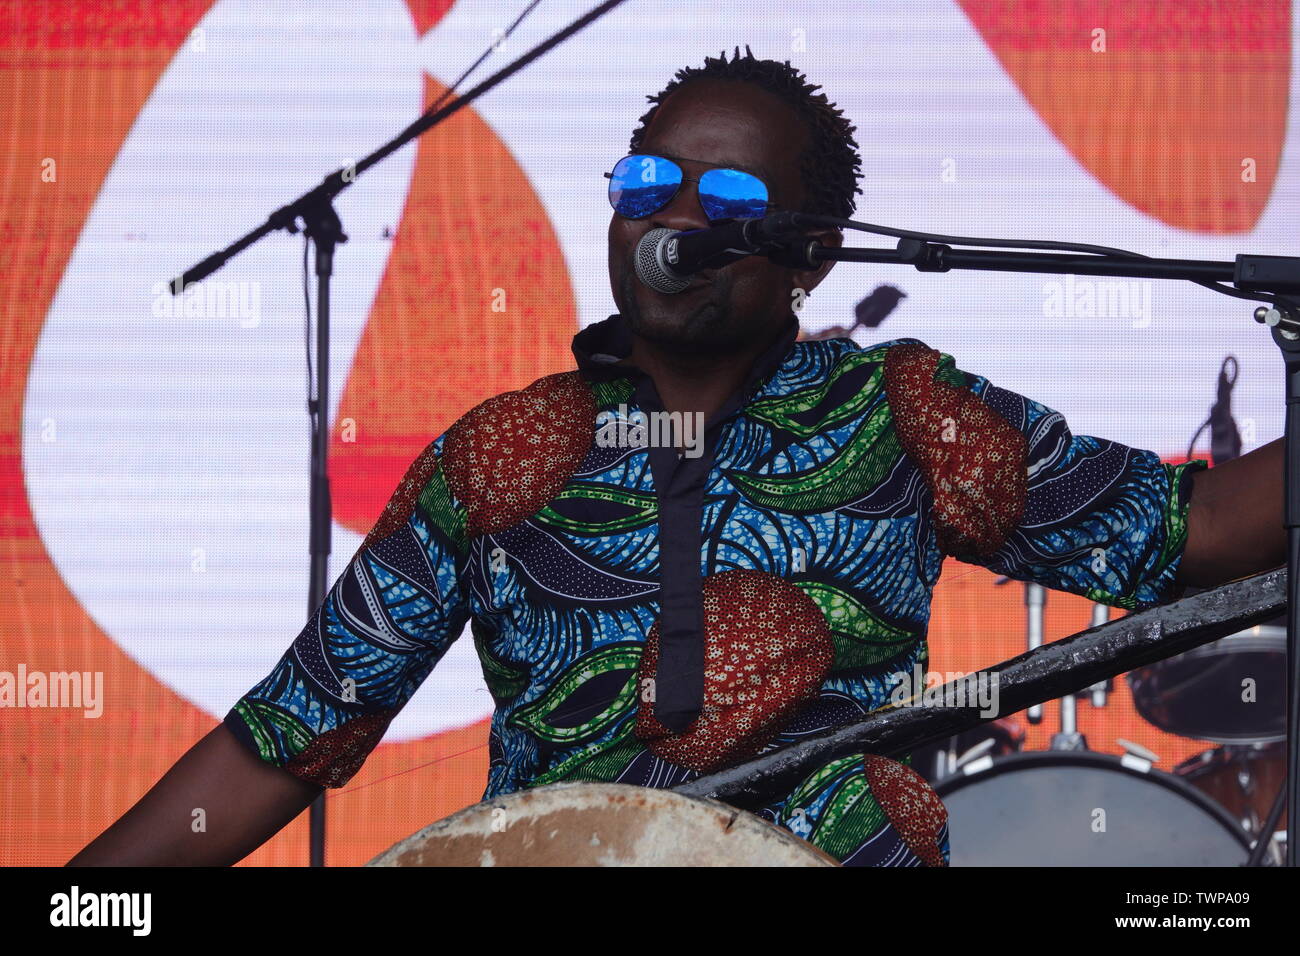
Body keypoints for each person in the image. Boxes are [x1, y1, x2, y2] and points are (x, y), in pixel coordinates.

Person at [69, 48, 1284, 868]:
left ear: (806, 252)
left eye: (729, 194)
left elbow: (1199, 531)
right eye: (648, 179)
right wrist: (80, 899)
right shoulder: (501, 455)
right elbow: (291, 733)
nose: (675, 216)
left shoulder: (898, 411)